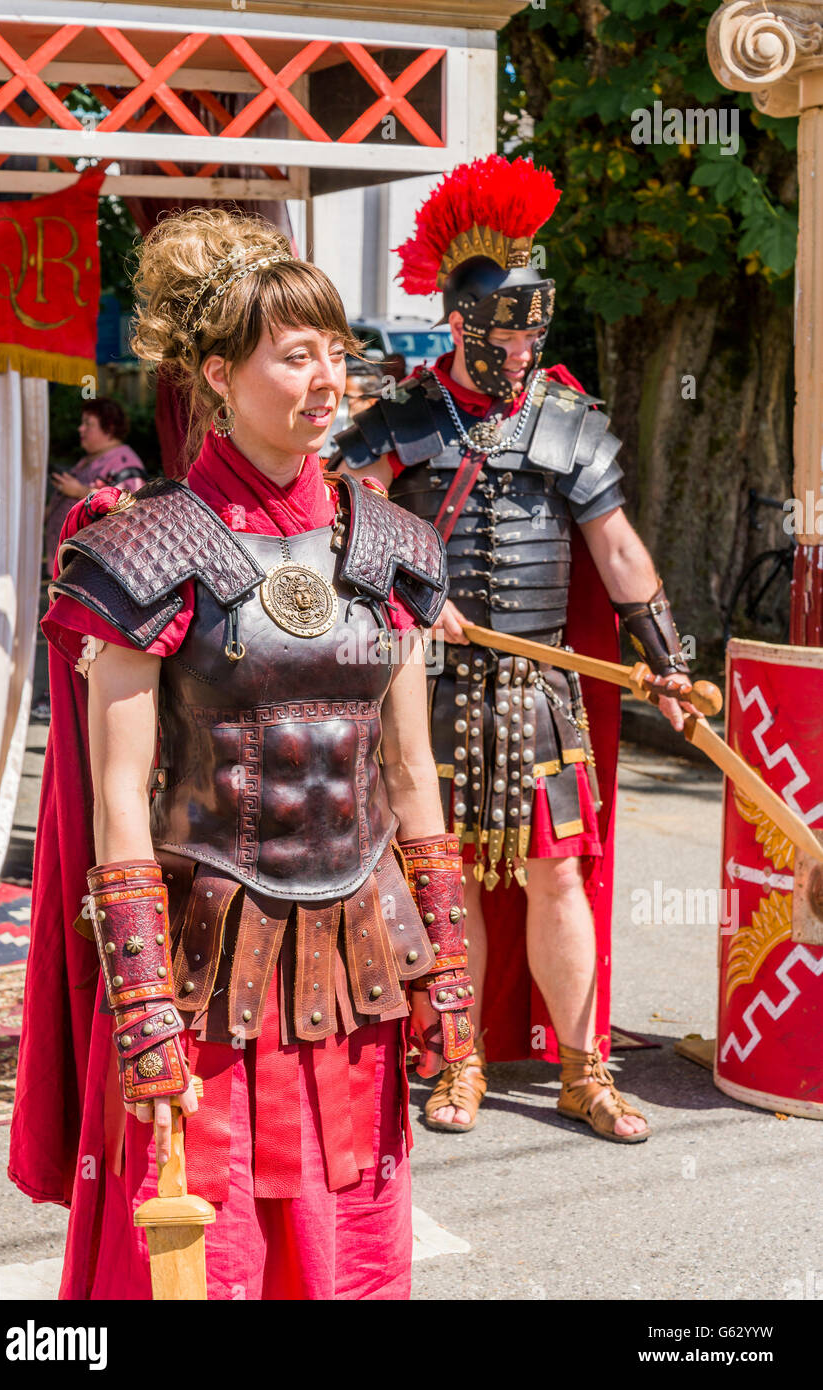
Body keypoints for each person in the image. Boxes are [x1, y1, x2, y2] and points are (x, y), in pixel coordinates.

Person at [9, 209, 473, 1301]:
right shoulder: (138, 549)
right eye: (295, 352)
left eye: (336, 351)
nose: (328, 377)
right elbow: (118, 791)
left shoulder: (392, 547)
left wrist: (447, 973)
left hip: (359, 970)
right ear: (219, 372)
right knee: (205, 1264)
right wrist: (139, 1010)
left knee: (348, 1253)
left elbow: (410, 775)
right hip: (201, 979)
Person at [333, 155, 694, 1142]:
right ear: (462, 325)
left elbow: (615, 548)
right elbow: (338, 522)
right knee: (441, 872)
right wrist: (414, 586)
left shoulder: (569, 420)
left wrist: (668, 654)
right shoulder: (400, 416)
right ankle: (458, 1060)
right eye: (507, 333)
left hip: (540, 689)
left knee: (557, 872)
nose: (525, 352)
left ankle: (585, 1071)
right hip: (427, 687)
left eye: (536, 332)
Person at [44, 398, 147, 577]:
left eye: (88, 424)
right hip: (74, 565)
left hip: (96, 570)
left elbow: (131, 511)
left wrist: (79, 491)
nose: (80, 428)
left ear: (109, 428)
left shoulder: (124, 462)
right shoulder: (89, 458)